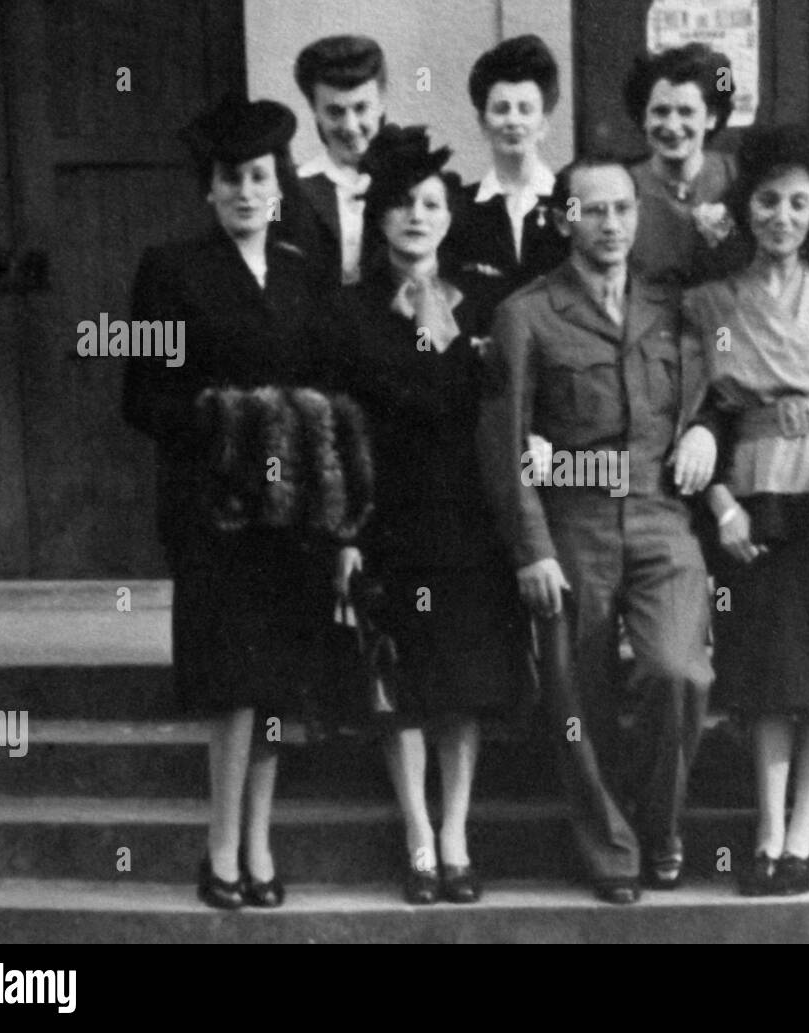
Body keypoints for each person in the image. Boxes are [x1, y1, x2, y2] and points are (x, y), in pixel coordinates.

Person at [122, 95, 371, 910]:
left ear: (278, 184)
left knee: (276, 689)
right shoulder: (172, 269)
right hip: (217, 515)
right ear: (210, 188)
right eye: (230, 179)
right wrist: (234, 420)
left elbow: (333, 392)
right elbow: (142, 398)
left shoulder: (306, 270)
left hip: (292, 521)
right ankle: (219, 849)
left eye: (259, 177)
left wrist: (338, 517)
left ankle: (260, 843)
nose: (245, 191)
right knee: (231, 685)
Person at [476, 155, 718, 905]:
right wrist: (532, 549)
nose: (610, 224)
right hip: (572, 526)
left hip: (659, 517)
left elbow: (708, 394)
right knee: (573, 697)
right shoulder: (527, 314)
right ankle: (610, 847)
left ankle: (661, 824)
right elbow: (503, 442)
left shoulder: (672, 308)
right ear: (562, 219)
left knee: (679, 671)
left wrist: (706, 428)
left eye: (622, 209)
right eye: (593, 210)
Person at [335, 124, 534, 906]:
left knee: (463, 676)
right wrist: (346, 533)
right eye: (402, 205)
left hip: (468, 512)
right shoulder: (351, 312)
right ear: (379, 219)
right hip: (391, 512)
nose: (417, 216)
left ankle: (457, 830)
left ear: (448, 215)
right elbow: (341, 426)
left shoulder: (482, 298)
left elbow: (507, 400)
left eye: (430, 203)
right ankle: (417, 832)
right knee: (404, 678)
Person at [685, 126, 809, 896]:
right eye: (768, 200)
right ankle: (765, 829)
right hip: (758, 492)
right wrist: (721, 502)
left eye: (799, 202)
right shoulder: (713, 302)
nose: (783, 216)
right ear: (745, 207)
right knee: (769, 669)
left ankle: (804, 825)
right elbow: (697, 412)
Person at [445, 34, 567, 310]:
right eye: (501, 109)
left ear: (544, 123)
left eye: (525, 110)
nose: (513, 121)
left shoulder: (569, 201)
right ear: (483, 123)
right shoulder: (459, 208)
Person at [622, 43, 746, 287]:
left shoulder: (738, 175)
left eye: (686, 111)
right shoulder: (623, 184)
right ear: (643, 118)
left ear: (711, 117)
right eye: (660, 111)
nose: (672, 125)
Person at [289, 35, 389, 284]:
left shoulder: (412, 185)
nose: (351, 126)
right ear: (315, 111)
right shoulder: (289, 189)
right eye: (335, 112)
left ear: (381, 103)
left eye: (361, 108)